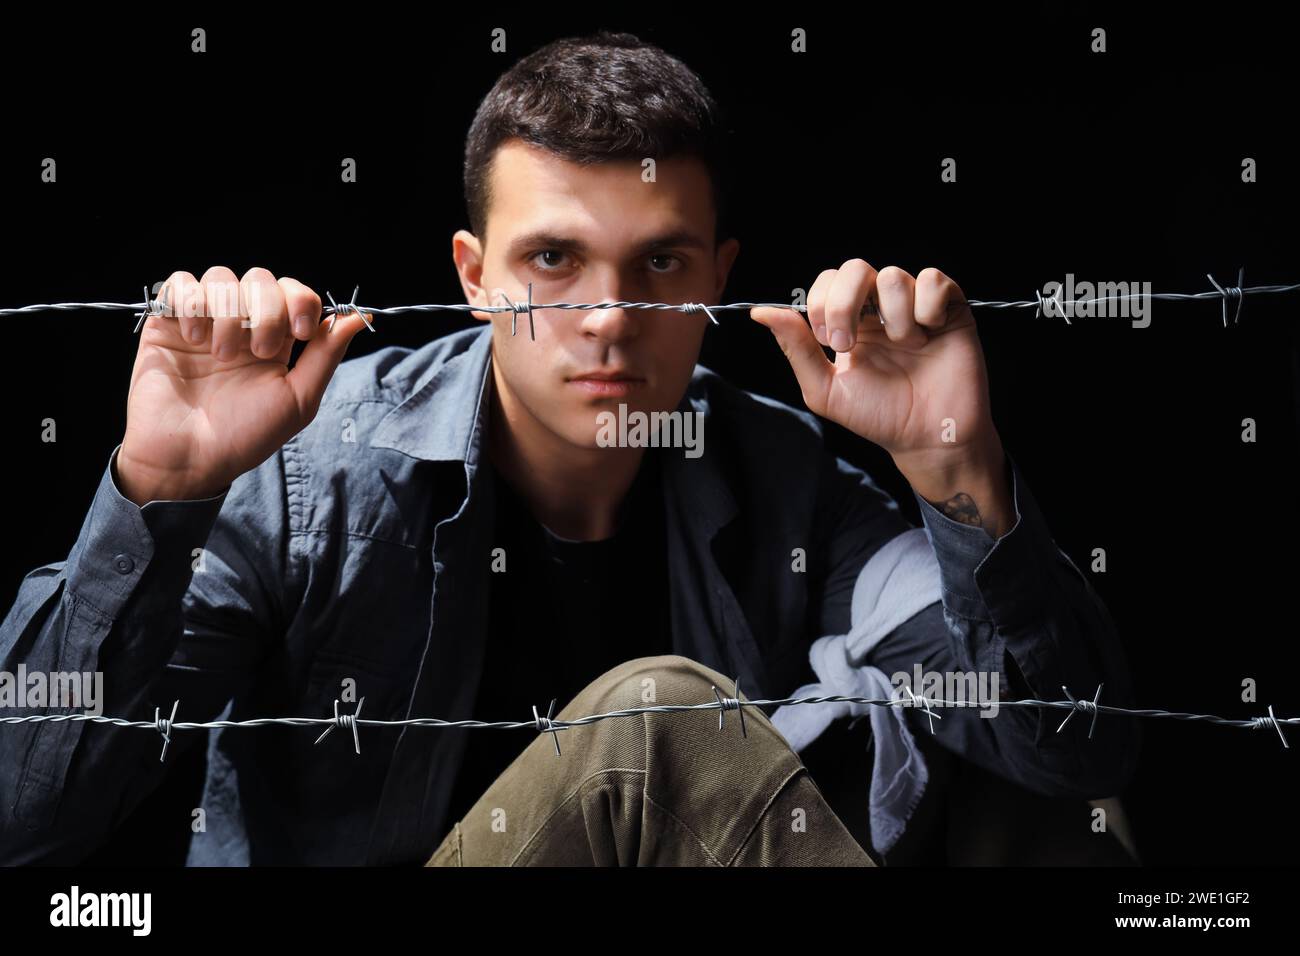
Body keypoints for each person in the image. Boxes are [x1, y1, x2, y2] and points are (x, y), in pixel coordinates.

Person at [0, 31, 1140, 866]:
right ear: (472, 276)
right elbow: (21, 808)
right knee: (651, 717)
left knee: (1030, 811)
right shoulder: (310, 474)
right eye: (553, 259)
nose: (607, 315)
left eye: (658, 263)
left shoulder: (787, 480)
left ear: (718, 281)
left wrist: (957, 470)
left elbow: (1071, 755)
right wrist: (160, 491)